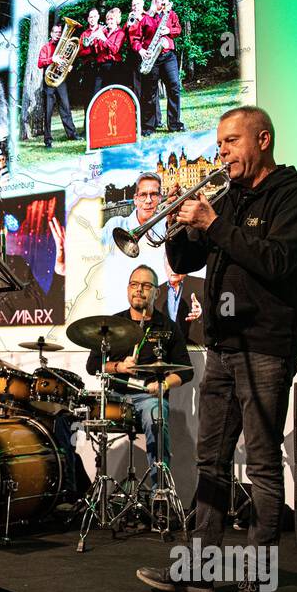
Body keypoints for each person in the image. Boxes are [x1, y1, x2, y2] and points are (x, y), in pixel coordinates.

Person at [136, 106, 297, 592]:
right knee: (210, 462)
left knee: (262, 468)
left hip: (265, 347)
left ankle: (260, 585)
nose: (222, 153)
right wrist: (176, 222)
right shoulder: (228, 196)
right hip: (220, 348)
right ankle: (198, 570)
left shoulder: (295, 196)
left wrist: (214, 222)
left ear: (262, 140)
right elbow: (183, 262)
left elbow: (275, 262)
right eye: (219, 144)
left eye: (231, 142)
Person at [83, 264, 192, 481]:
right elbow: (93, 365)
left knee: (156, 415)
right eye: (134, 284)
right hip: (116, 397)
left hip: (148, 396)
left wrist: (163, 385)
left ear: (156, 291)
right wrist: (118, 367)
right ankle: (97, 489)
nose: (139, 290)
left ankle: (159, 492)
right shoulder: (111, 325)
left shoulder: (168, 327)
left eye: (145, 285)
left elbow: (186, 371)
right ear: (127, 289)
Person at [101, 171, 168, 310]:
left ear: (160, 198)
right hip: (117, 306)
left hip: (156, 307)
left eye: (154, 194)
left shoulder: (168, 226)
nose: (148, 200)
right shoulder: (115, 225)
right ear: (135, 199)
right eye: (143, 195)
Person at [135, 0, 185, 133]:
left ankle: (174, 124)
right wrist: (141, 50)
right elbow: (136, 38)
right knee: (150, 92)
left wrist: (169, 31)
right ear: (155, 0)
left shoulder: (171, 14)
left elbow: (179, 29)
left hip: (168, 55)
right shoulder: (146, 17)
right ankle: (149, 127)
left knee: (174, 87)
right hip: (152, 57)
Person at [37, 20, 81, 147]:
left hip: (61, 81)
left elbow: (68, 60)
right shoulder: (46, 47)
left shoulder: (65, 45)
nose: (57, 35)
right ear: (51, 33)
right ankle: (48, 140)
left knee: (66, 108)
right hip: (49, 81)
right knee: (48, 111)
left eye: (60, 33)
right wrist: (52, 59)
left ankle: (72, 134)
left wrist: (68, 66)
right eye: (55, 32)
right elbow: (40, 63)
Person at [156, 256, 205, 346]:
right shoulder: (156, 292)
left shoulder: (202, 285)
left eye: (177, 264)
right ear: (164, 265)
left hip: (196, 349)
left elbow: (218, 319)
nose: (174, 269)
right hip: (165, 351)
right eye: (170, 264)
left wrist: (201, 314)